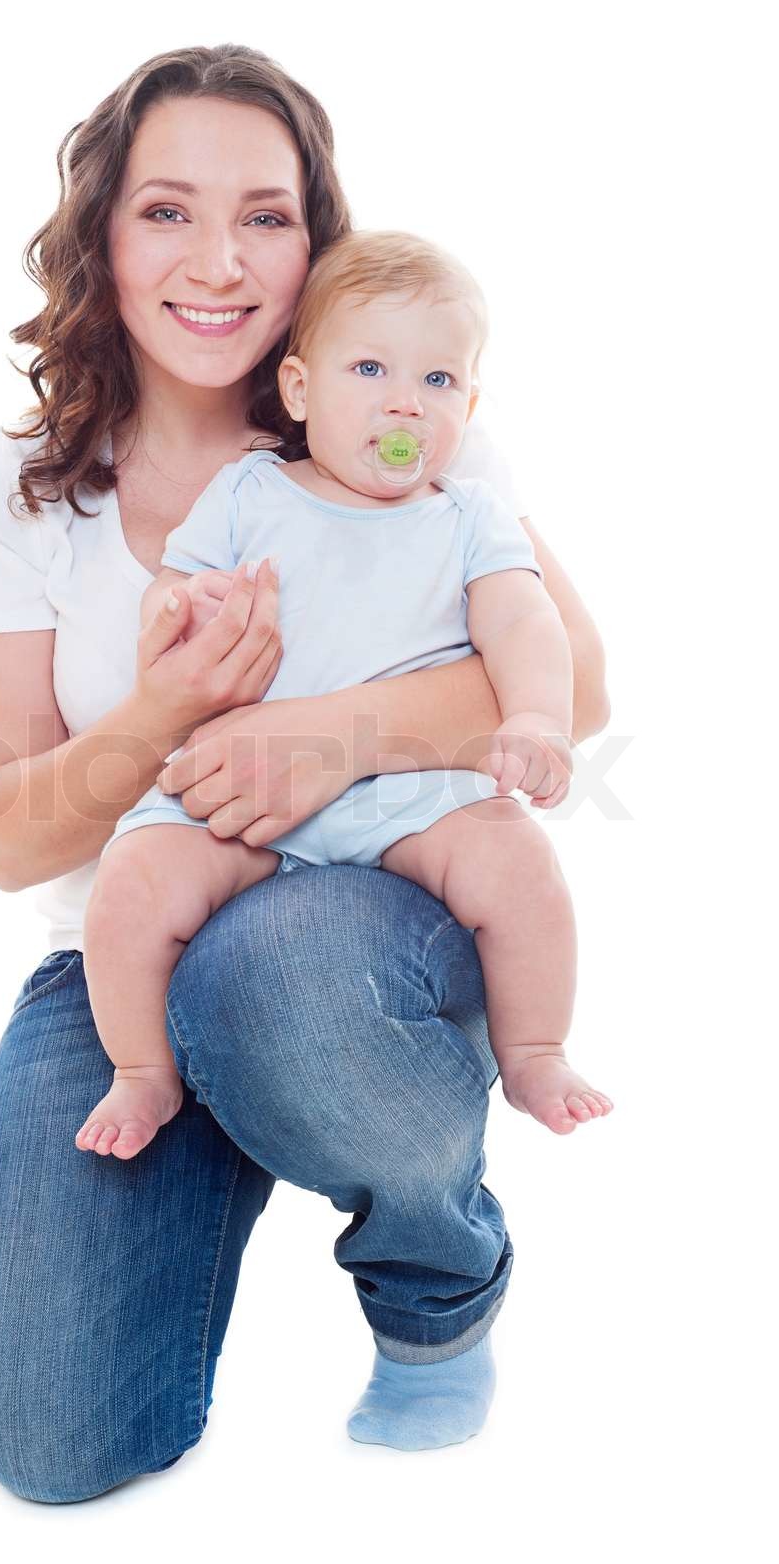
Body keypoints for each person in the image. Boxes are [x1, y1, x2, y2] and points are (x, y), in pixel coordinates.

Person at [0, 45, 611, 1503]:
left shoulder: (401, 420)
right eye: (167, 211)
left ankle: (435, 1280)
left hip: (364, 912)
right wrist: (166, 709)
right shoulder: (23, 485)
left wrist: (330, 735)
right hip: (136, 937)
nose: (218, 260)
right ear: (101, 232)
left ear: (318, 243)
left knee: (290, 965)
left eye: (268, 215)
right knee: (50, 1441)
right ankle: (194, 1090)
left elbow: (574, 681)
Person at [76, 230, 613, 1162]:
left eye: (439, 381)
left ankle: (533, 1051)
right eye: (370, 368)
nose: (407, 400)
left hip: (406, 798)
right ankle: (141, 1071)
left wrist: (532, 717)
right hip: (243, 797)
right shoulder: (249, 491)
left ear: (470, 405)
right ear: (298, 390)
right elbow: (180, 582)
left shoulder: (466, 515)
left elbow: (525, 624)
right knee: (129, 884)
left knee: (520, 869)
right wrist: (183, 605)